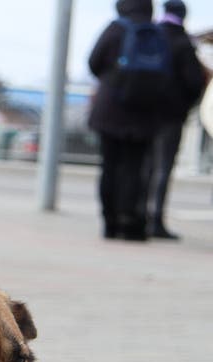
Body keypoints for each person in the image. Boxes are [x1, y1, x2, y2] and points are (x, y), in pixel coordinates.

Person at [88, 0, 163, 241]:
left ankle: (110, 222)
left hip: (110, 108)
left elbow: (93, 63)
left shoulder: (115, 29)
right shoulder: (156, 33)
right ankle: (129, 221)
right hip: (144, 112)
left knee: (110, 166)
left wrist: (113, 79)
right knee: (136, 169)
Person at [147, 1, 206, 239]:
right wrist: (184, 106)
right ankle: (155, 219)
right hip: (171, 116)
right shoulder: (183, 43)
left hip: (144, 113)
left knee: (145, 166)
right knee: (163, 168)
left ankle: (137, 215)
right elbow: (194, 82)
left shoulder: (150, 35)